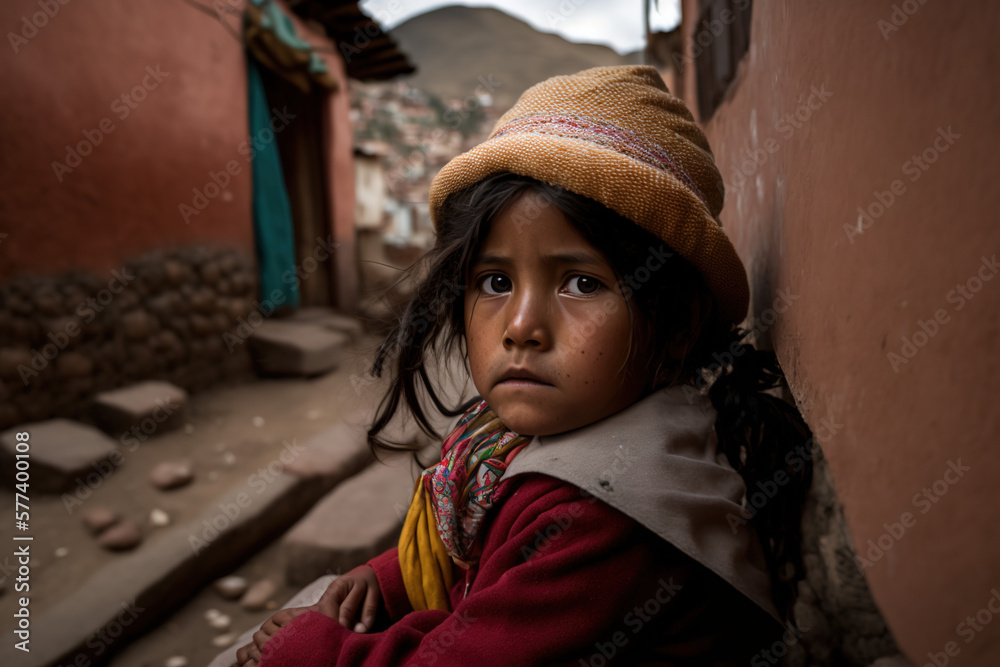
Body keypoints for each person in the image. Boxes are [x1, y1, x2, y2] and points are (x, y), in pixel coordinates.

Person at [234, 65, 814, 666]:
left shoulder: (603, 518)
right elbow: (476, 551)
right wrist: (386, 579)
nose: (520, 327)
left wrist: (307, 649)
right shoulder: (512, 441)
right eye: (494, 281)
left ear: (678, 328)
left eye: (582, 283)